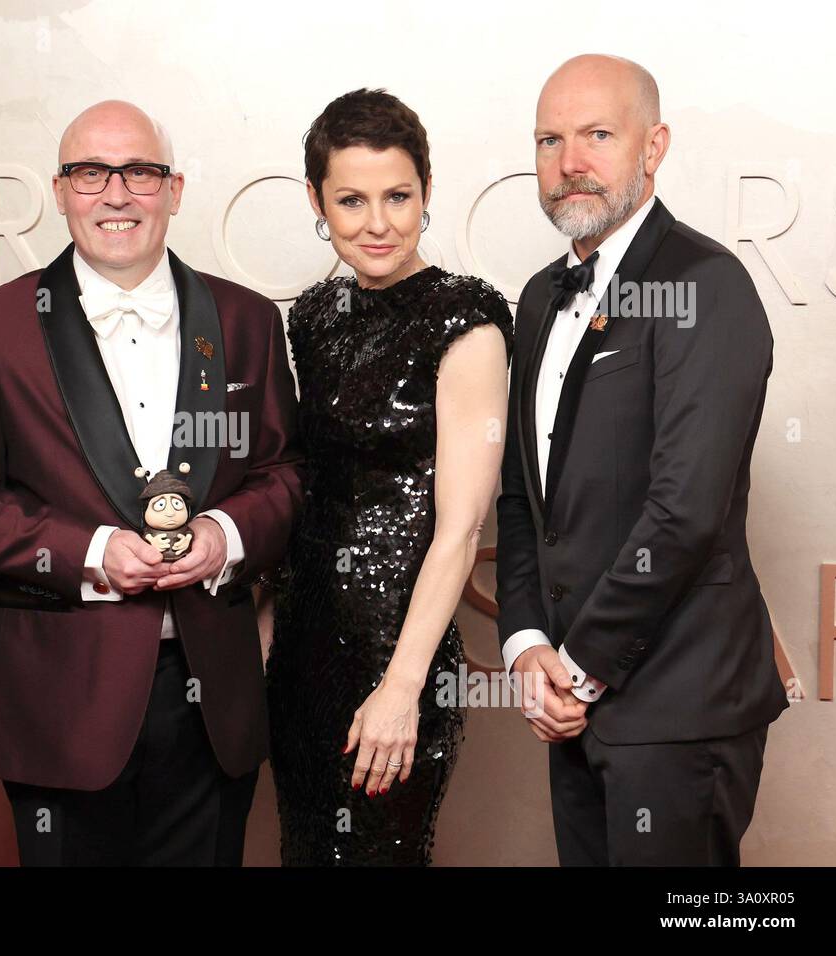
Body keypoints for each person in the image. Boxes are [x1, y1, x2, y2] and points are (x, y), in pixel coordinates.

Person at [0, 100, 303, 866]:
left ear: (175, 189)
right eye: (91, 173)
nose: (115, 194)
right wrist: (88, 551)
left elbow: (283, 473)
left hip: (210, 700)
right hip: (59, 704)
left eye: (140, 173)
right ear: (60, 191)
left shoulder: (247, 319)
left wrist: (224, 536)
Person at [494, 55, 788, 866]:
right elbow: (523, 493)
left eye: (597, 134)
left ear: (653, 146)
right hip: (567, 698)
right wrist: (524, 642)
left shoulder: (705, 283)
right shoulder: (541, 296)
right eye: (549, 141)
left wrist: (580, 667)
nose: (569, 163)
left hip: (678, 709)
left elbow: (685, 510)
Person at [265, 88, 513, 866]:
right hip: (302, 652)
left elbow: (462, 526)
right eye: (352, 199)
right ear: (317, 200)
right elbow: (304, 483)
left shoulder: (464, 321)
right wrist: (268, 635)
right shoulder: (311, 316)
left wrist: (403, 687)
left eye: (398, 196)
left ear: (427, 193)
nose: (378, 222)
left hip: (395, 656)